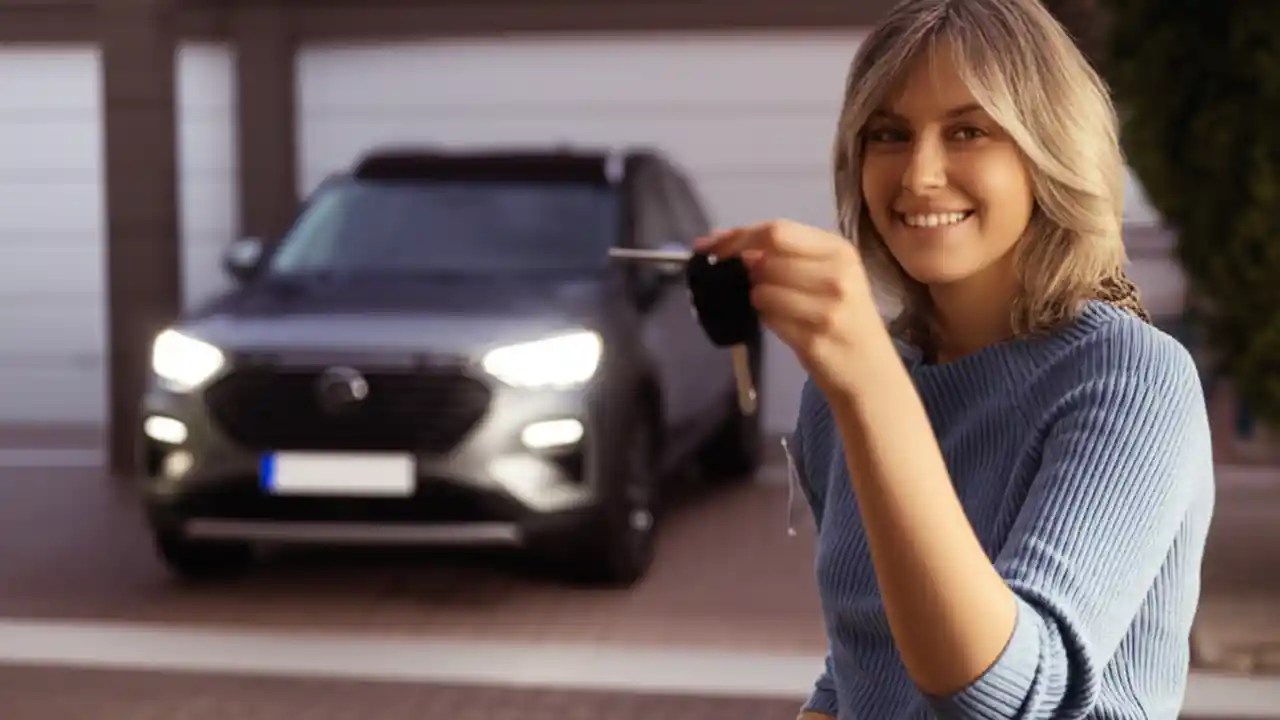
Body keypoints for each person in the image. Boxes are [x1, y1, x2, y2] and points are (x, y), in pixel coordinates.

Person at [693, 0, 1215, 717]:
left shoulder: (1130, 378)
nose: (919, 176)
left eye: (968, 130)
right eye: (889, 134)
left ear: (1048, 149)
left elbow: (1009, 696)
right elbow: (859, 665)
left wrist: (870, 384)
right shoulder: (847, 385)